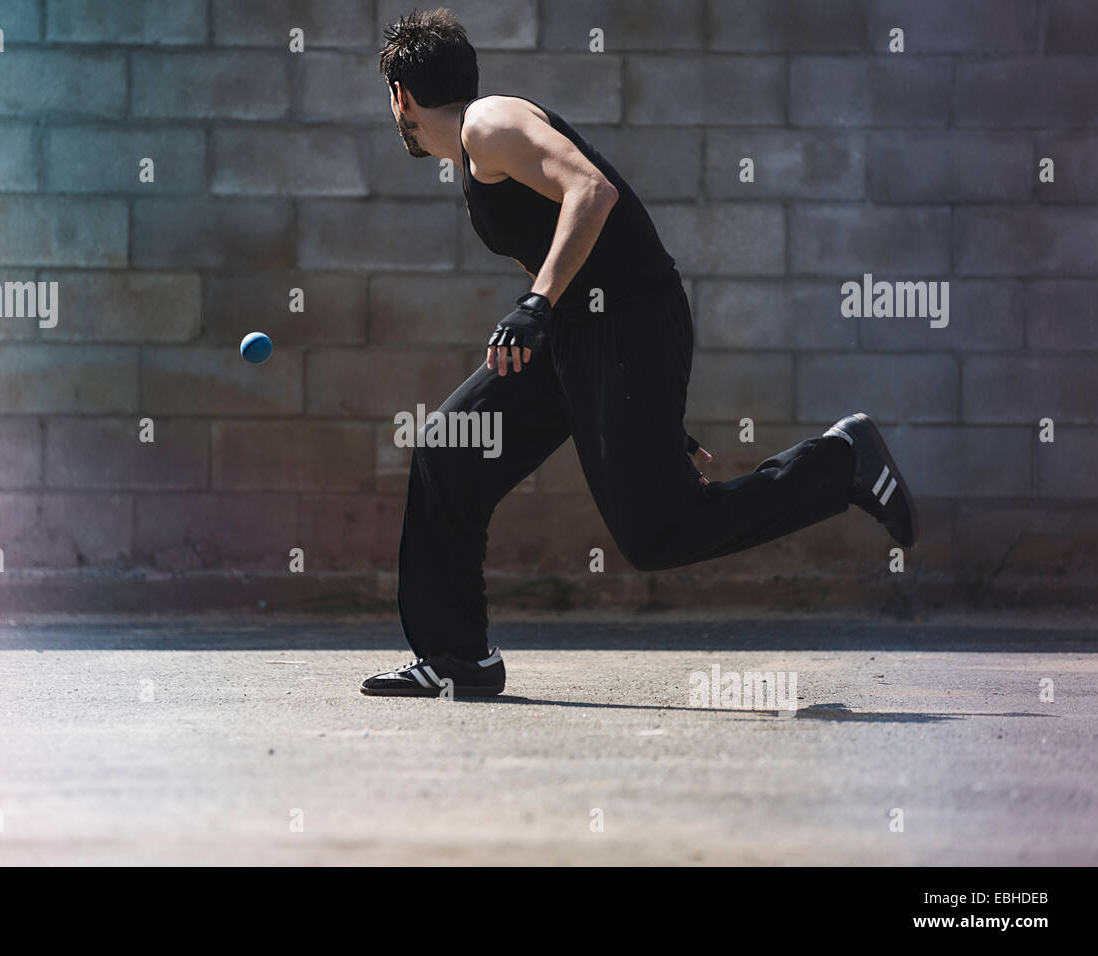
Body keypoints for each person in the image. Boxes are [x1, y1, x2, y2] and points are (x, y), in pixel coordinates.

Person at [361, 9, 917, 697]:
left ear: (401, 97)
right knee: (449, 450)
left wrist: (536, 305)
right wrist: (636, 410)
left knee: (658, 534)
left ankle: (841, 464)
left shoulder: (488, 124)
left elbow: (592, 191)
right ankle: (456, 657)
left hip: (622, 323)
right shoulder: (479, 155)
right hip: (580, 336)